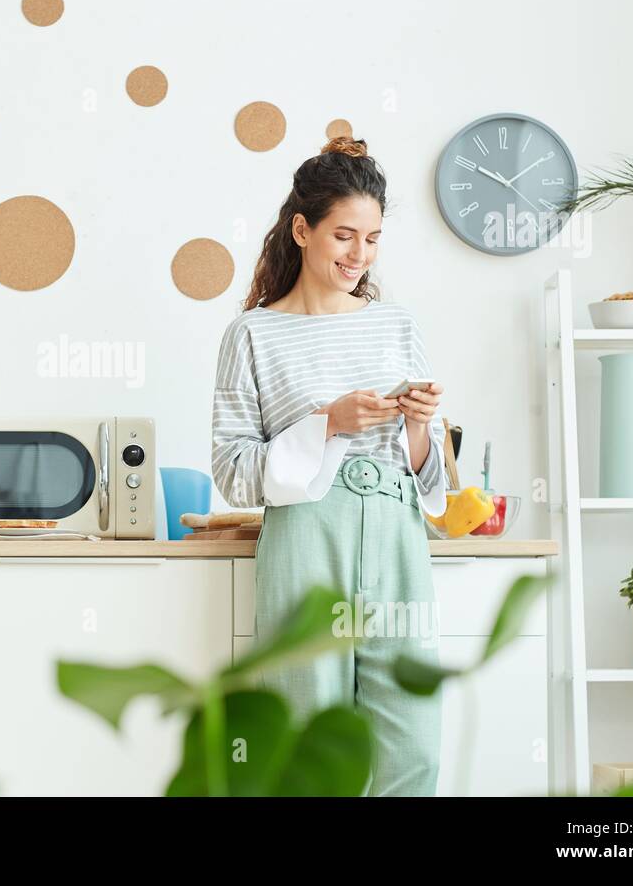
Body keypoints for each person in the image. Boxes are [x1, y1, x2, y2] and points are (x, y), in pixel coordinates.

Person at [210, 134, 448, 796]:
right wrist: (327, 425)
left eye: (371, 240)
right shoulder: (252, 334)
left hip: (396, 537)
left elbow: (427, 475)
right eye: (345, 236)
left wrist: (421, 426)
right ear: (302, 228)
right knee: (306, 744)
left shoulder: (398, 326)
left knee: (414, 744)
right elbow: (231, 469)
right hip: (307, 538)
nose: (359, 255)